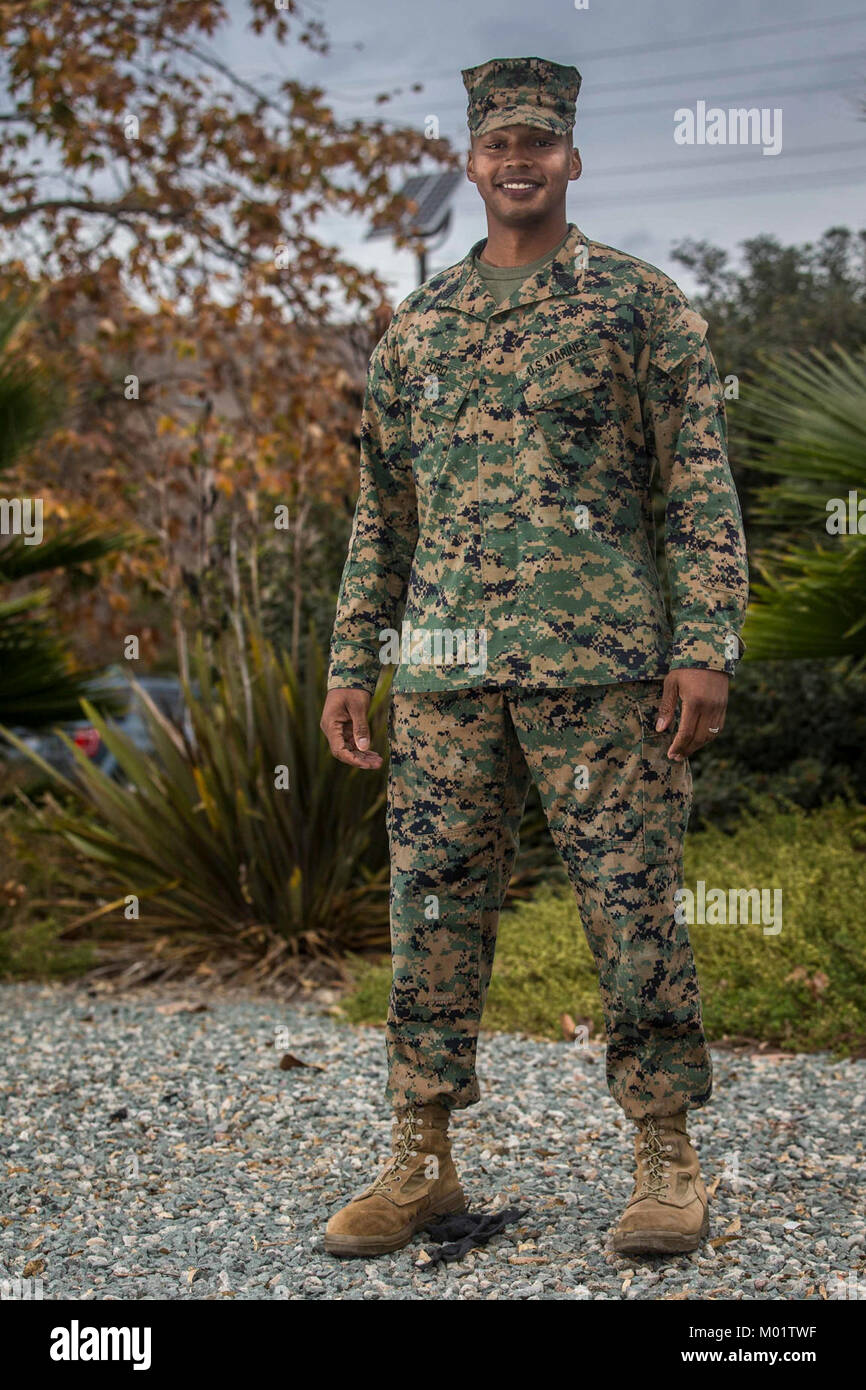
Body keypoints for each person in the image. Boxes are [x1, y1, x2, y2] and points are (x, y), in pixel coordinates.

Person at [319, 55, 749, 1259]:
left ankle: (666, 1156)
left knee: (630, 914)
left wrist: (704, 639)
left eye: (538, 143)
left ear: (570, 157)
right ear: (470, 160)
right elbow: (380, 515)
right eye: (498, 145)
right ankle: (421, 1156)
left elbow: (699, 493)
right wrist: (354, 662)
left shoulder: (636, 304)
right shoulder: (419, 328)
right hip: (445, 673)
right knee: (431, 914)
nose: (518, 162)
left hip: (602, 664)